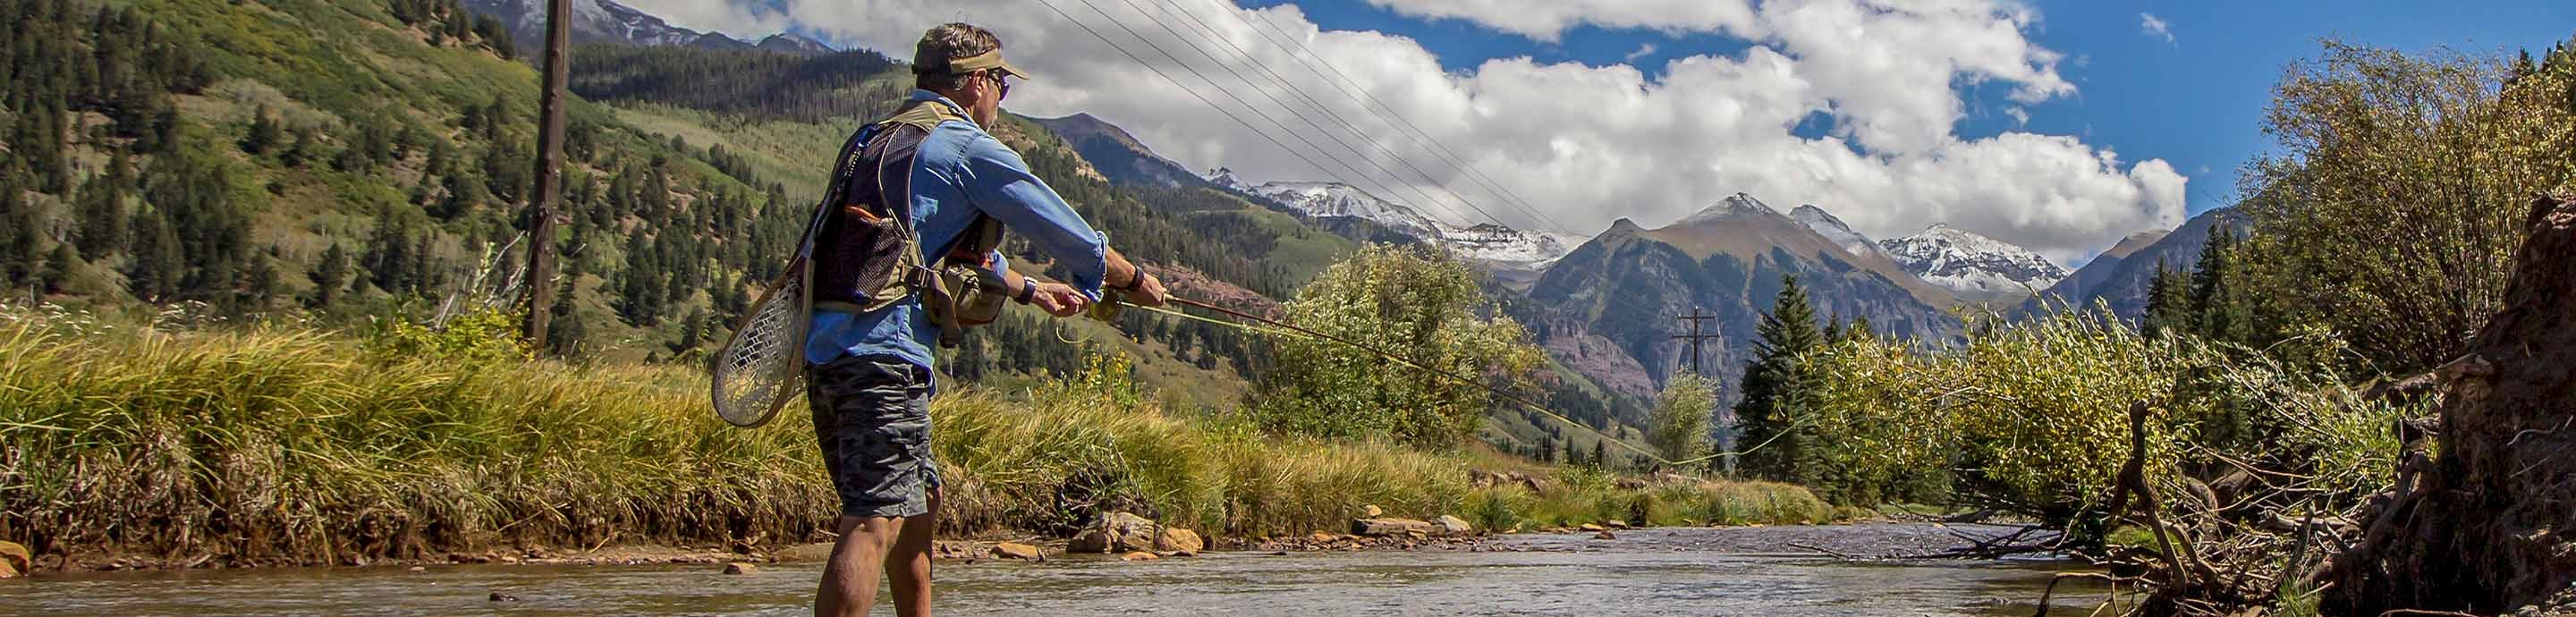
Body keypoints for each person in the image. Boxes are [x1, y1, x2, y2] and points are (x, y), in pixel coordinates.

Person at [799, 22, 1167, 617]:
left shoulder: (873, 140)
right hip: (885, 358)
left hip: (826, 355)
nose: (1001, 97)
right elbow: (1063, 226)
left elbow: (920, 244)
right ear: (975, 84)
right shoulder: (965, 146)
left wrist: (1029, 290)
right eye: (1001, 83)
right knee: (873, 523)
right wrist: (1132, 279)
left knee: (917, 509)